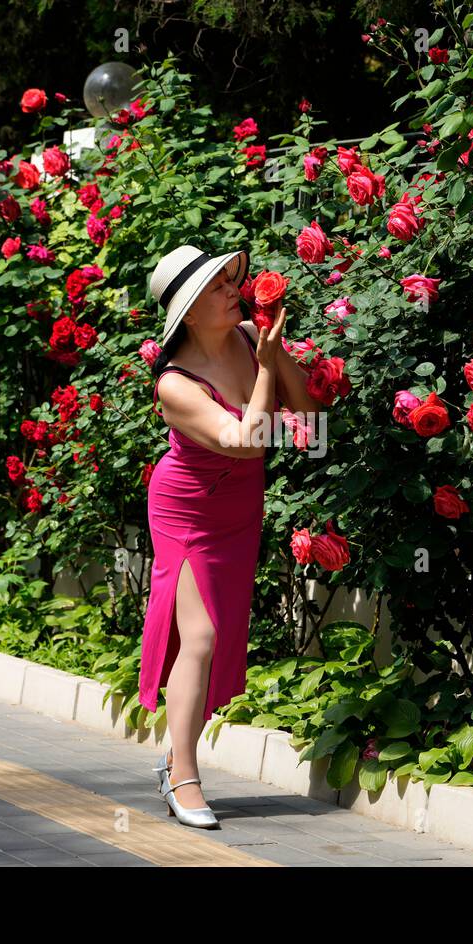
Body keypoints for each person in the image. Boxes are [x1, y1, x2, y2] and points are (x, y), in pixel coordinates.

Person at [140, 243, 318, 828]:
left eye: (228, 280)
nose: (231, 290)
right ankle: (181, 774)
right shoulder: (175, 384)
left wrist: (274, 353)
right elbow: (248, 440)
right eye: (217, 286)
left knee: (219, 637)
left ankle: (177, 754)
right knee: (200, 635)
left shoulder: (247, 335)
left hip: (241, 507)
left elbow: (309, 409)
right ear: (188, 310)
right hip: (186, 513)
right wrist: (266, 367)